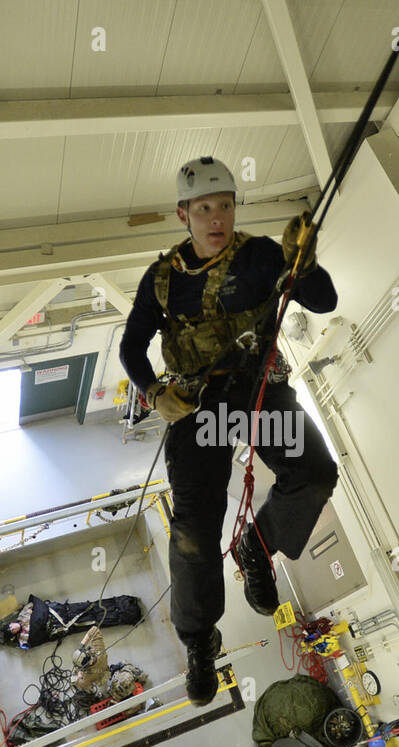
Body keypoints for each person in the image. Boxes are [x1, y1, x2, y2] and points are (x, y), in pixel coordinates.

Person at [119, 156, 339, 707]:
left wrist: (303, 264)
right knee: (194, 526)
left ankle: (257, 546)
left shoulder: (264, 257)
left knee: (314, 470)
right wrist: (152, 392)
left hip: (255, 389)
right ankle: (200, 642)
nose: (216, 218)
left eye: (225, 206)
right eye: (203, 209)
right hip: (199, 405)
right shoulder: (162, 279)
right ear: (183, 215)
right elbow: (131, 346)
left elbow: (325, 301)